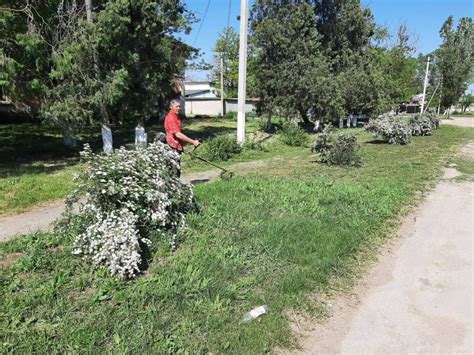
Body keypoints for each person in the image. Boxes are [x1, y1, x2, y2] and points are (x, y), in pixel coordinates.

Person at [164, 99, 200, 176]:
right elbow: (178, 134)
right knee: (174, 172)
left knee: (176, 171)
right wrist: (193, 142)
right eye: (176, 106)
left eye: (180, 106)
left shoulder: (176, 116)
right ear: (171, 107)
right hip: (172, 148)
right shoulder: (171, 118)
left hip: (176, 146)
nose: (179, 108)